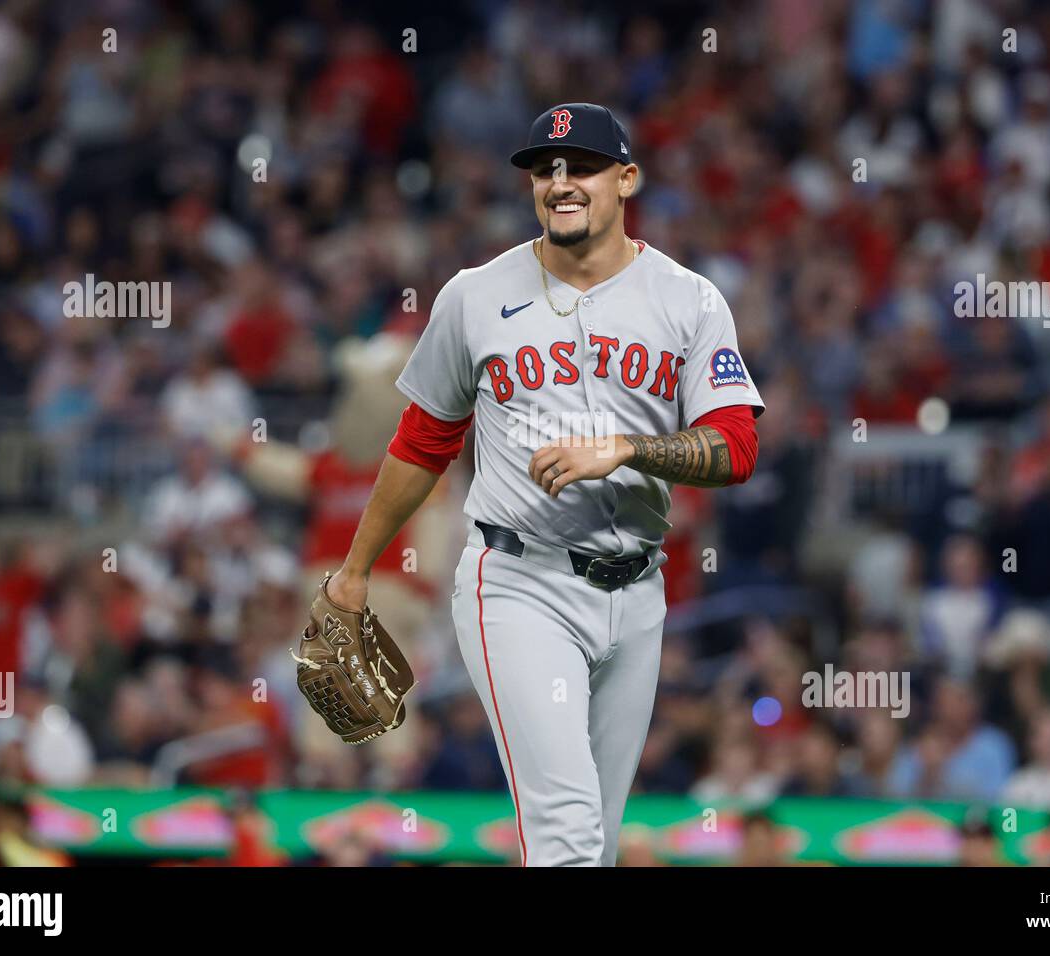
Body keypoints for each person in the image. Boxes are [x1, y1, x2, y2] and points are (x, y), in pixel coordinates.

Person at [317, 103, 764, 866]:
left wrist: (627, 450)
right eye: (544, 169)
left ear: (627, 179)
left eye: (582, 166)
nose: (560, 182)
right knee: (565, 829)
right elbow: (423, 441)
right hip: (519, 581)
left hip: (637, 591)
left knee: (595, 842)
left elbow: (737, 447)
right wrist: (355, 569)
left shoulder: (688, 299)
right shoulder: (474, 295)